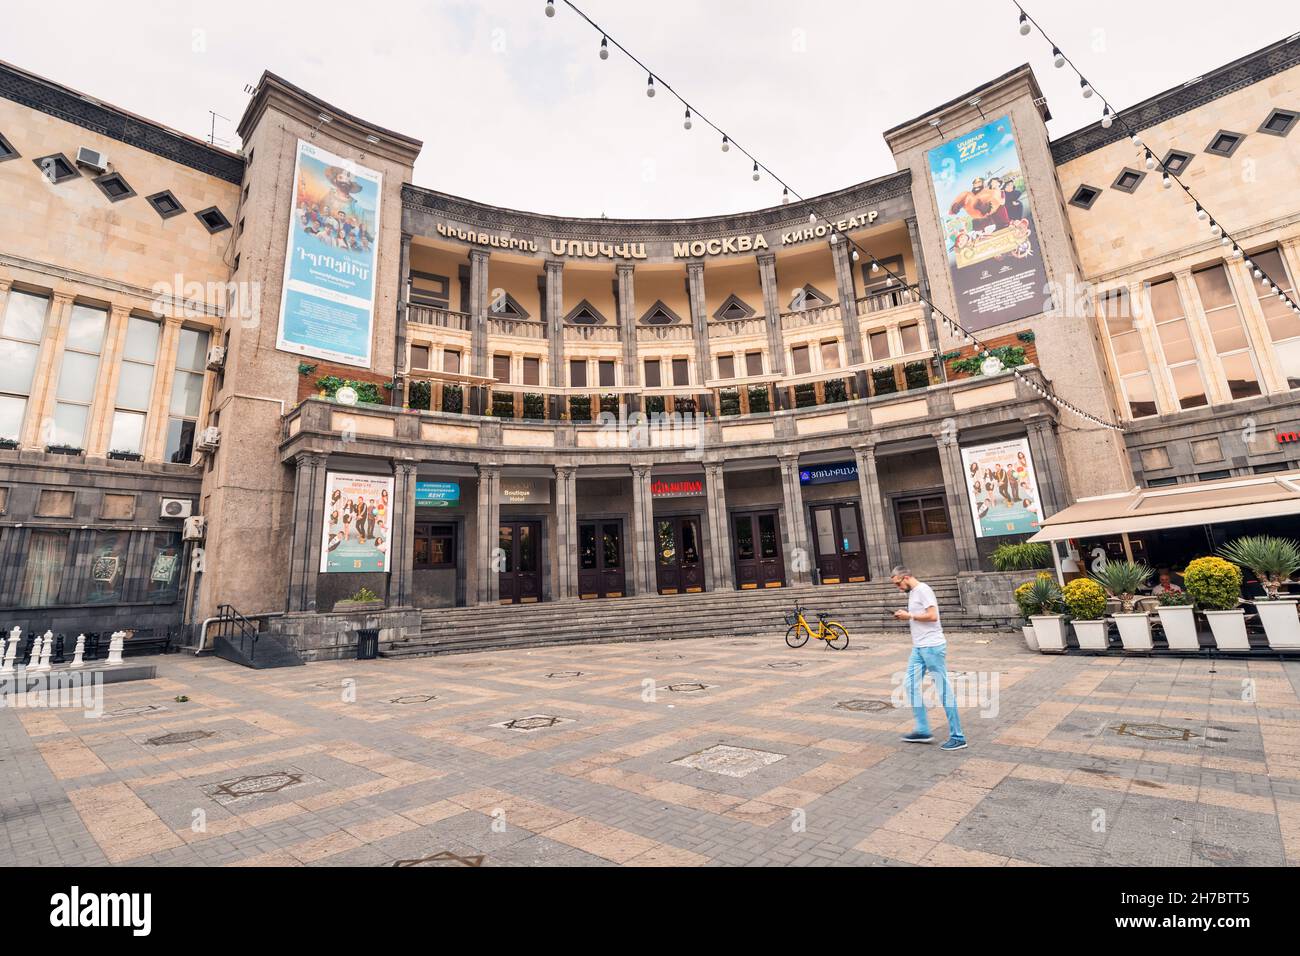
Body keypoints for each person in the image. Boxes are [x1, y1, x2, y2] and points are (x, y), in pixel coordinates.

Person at [891, 566, 967, 751]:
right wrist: (907, 616)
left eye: (898, 584)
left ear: (906, 577)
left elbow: (933, 616)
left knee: (943, 689)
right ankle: (923, 730)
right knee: (909, 684)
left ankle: (958, 737)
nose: (898, 588)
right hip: (919, 648)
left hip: (932, 647)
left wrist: (909, 615)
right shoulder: (913, 593)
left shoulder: (923, 590)